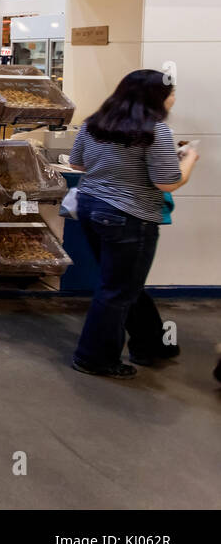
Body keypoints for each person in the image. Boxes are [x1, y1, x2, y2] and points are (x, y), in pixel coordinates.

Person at [68, 69, 199, 379]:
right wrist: (189, 158)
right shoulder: (156, 130)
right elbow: (167, 182)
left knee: (125, 284)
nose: (174, 98)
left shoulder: (95, 123)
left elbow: (77, 164)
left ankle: (152, 344)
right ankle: (93, 358)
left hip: (89, 207)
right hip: (129, 216)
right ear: (155, 97)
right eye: (170, 93)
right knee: (117, 290)